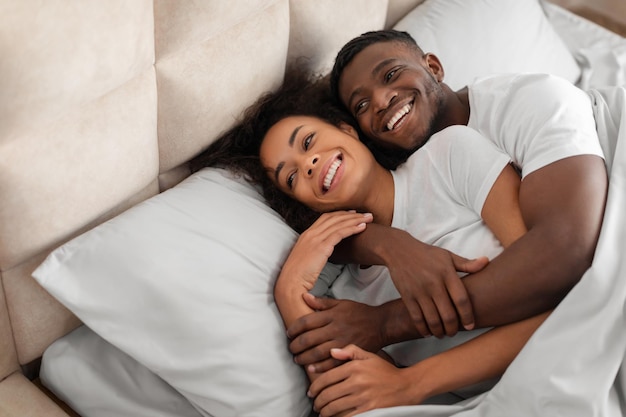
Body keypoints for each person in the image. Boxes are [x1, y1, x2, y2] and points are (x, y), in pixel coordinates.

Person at [192, 70, 548, 416]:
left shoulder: (450, 155)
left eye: (307, 142)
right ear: (302, 204)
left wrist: (411, 381)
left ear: (348, 130)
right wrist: (290, 289)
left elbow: (551, 289)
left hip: (563, 352)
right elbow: (349, 402)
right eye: (292, 176)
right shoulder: (348, 302)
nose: (309, 163)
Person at [284, 30, 609, 374]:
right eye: (362, 105)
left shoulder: (528, 102)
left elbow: (564, 253)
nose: (380, 101)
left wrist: (384, 325)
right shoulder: (411, 178)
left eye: (391, 74)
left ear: (434, 67)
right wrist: (379, 245)